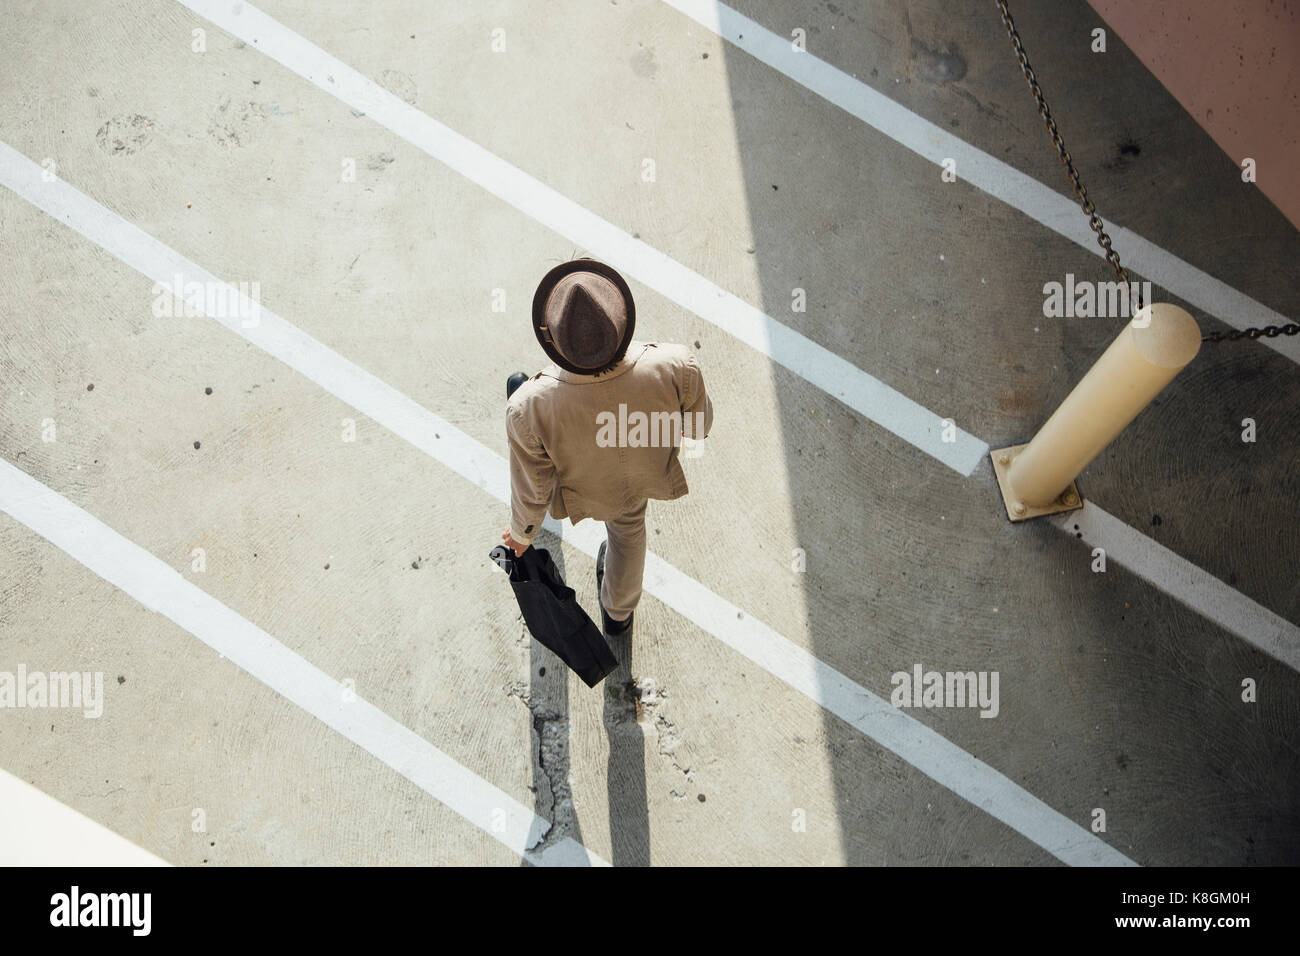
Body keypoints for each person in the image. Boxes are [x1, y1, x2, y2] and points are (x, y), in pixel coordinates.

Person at [501, 258, 713, 636]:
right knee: (629, 533)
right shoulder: (677, 364)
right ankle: (618, 616)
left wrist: (522, 534)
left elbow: (533, 488)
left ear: (554, 342)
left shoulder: (527, 409)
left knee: (531, 412)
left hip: (581, 487)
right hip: (637, 480)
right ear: (621, 321)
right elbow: (698, 427)